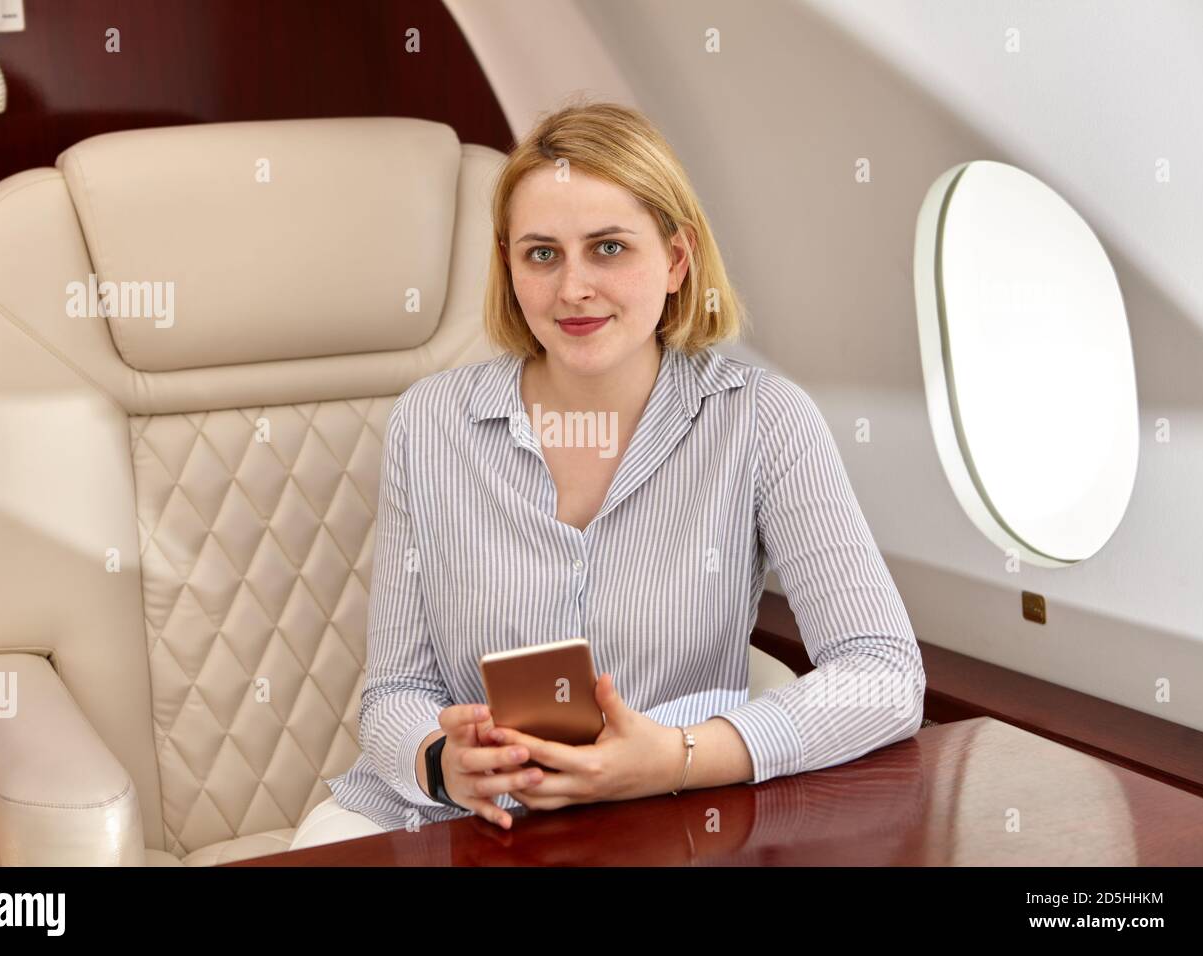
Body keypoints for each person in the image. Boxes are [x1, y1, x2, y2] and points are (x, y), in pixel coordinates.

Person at [290, 98, 925, 850]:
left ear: (677, 259)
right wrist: (441, 763)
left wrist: (677, 759)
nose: (573, 290)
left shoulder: (763, 421)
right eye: (542, 254)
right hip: (456, 828)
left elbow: (883, 673)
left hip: (670, 822)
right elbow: (397, 694)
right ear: (509, 268)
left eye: (610, 248)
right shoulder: (429, 425)